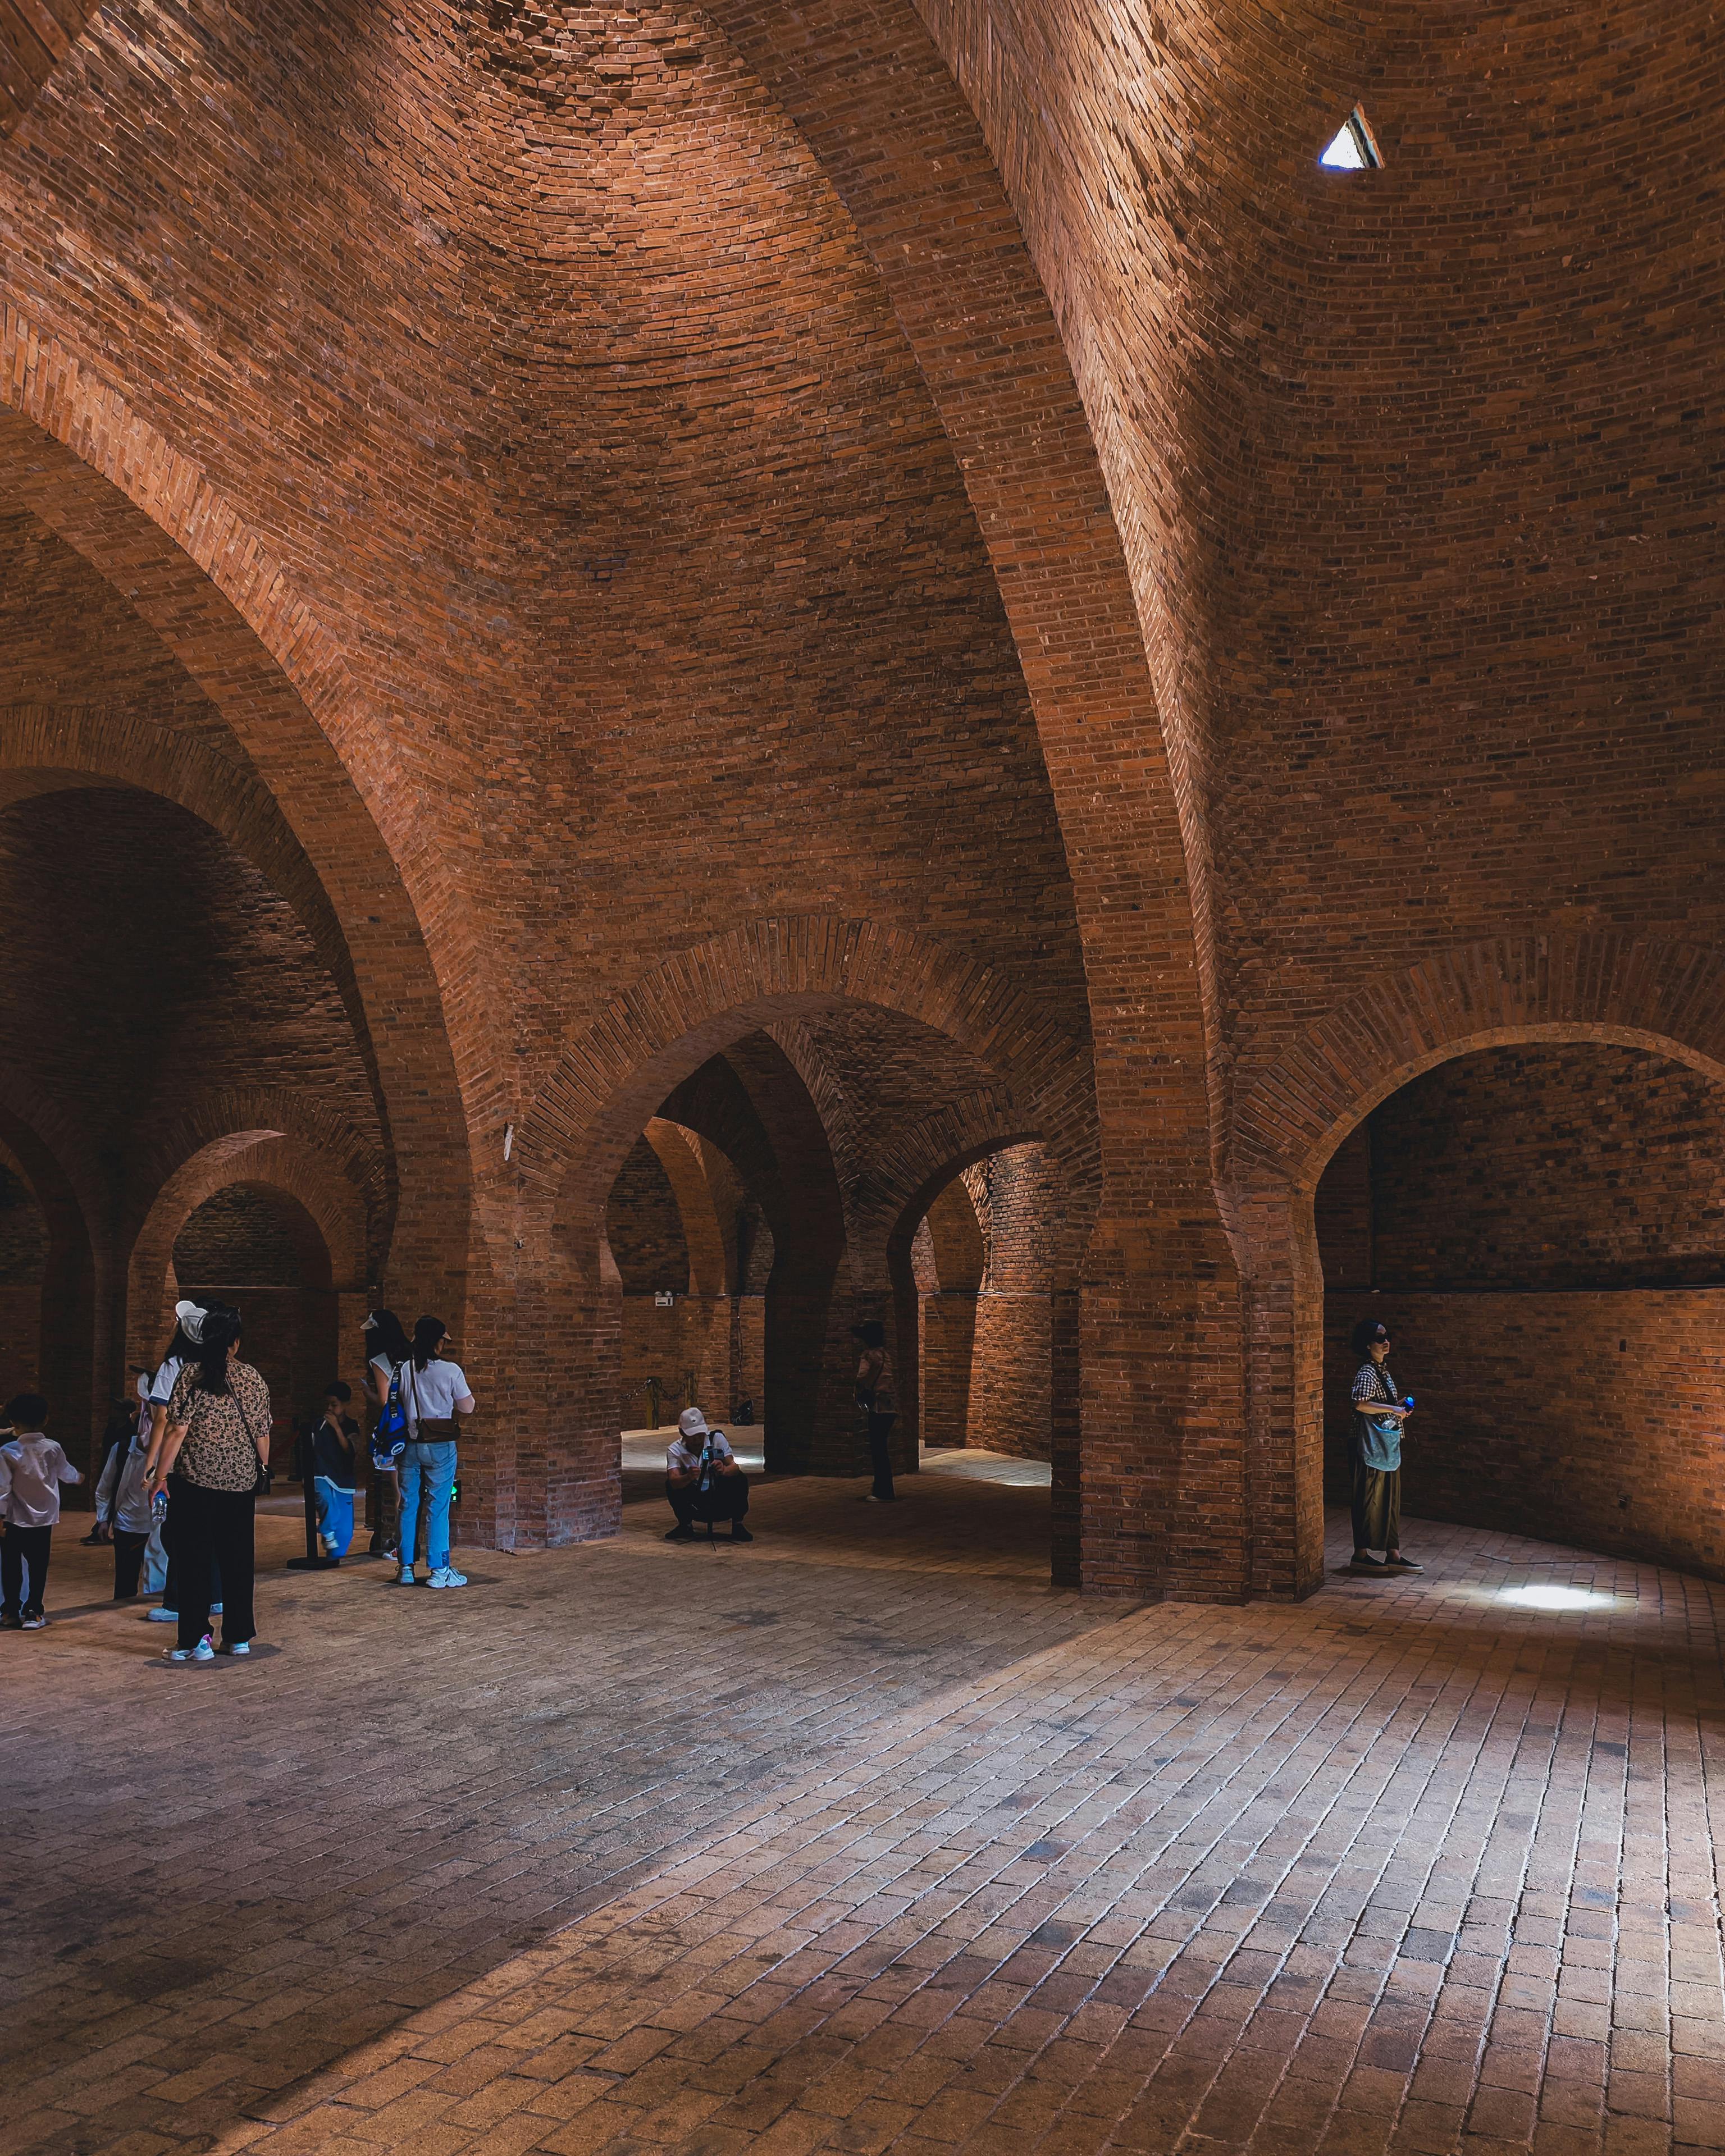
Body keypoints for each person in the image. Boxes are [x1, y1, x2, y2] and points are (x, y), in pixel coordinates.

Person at [145, 1307, 268, 1661]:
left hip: (194, 1481)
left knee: (194, 1558)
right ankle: (238, 1637)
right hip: (241, 1483)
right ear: (236, 1342)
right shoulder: (252, 1378)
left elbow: (177, 1429)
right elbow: (262, 1433)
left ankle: (195, 1640)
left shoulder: (190, 1375)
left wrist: (161, 1476)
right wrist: (261, 1464)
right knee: (238, 1560)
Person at [142, 1301, 226, 1627]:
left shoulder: (174, 1365)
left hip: (180, 1463)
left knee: (176, 1534)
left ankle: (178, 1600)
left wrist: (153, 1467)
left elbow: (165, 1421)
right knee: (212, 1531)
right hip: (215, 1461)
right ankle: (216, 1596)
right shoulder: (220, 1364)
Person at [393, 1317, 474, 1589]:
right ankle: (439, 1570)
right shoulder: (450, 1371)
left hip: (410, 1445)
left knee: (408, 1505)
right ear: (439, 1342)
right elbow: (467, 1407)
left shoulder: (404, 1369)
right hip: (440, 1446)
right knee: (438, 1508)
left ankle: (405, 1567)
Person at [0, 1393, 81, 1629]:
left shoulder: (8, 1451)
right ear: (46, 1420)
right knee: (38, 1566)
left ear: (13, 1422)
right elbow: (66, 1472)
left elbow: (3, 1488)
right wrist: (78, 1478)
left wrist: (1, 1516)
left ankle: (11, 1611)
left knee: (12, 1566)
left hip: (15, 1519)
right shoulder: (53, 1448)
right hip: (44, 1518)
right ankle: (34, 1611)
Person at [1348, 1318, 1421, 1574]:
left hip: (1386, 1446)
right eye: (1380, 1339)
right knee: (1369, 1499)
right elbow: (1360, 1403)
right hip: (1371, 1446)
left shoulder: (1383, 1371)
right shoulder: (1367, 1371)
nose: (1386, 1342)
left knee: (1390, 1499)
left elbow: (1379, 1404)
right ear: (1368, 1345)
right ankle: (1361, 1554)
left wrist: (1399, 1406)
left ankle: (1393, 1553)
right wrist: (1394, 1409)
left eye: (1387, 1337)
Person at [362, 1308, 412, 1560]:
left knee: (399, 1493)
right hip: (416, 1426)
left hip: (396, 1433)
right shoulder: (410, 1353)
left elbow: (385, 1401)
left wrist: (367, 1395)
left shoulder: (379, 1359)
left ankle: (401, 1547)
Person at [664, 1406, 752, 1543]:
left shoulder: (716, 1439)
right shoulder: (675, 1450)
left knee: (740, 1479)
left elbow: (735, 1467)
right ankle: (685, 1525)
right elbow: (674, 1480)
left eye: (700, 1434)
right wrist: (688, 1477)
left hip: (718, 1490)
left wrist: (723, 1470)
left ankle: (738, 1525)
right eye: (692, 1435)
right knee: (670, 1486)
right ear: (682, 1432)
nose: (697, 1439)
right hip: (695, 1493)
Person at [94, 1403, 154, 1597]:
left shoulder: (165, 1454)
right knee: (125, 1582)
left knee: (156, 1583)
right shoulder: (121, 1450)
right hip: (126, 1525)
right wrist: (103, 1520)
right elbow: (105, 1487)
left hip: (156, 1527)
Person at [313, 1380, 358, 1561]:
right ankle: (326, 1532)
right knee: (327, 1504)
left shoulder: (351, 1426)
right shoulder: (319, 1425)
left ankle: (334, 1559)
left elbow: (350, 1450)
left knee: (345, 1532)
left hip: (344, 1479)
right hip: (321, 1474)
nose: (330, 1409)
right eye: (328, 1404)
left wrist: (337, 1428)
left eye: (335, 1404)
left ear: (346, 1404)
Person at [853, 1320, 898, 1502]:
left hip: (877, 1407)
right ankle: (884, 1489)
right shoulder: (886, 1355)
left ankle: (882, 1491)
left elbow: (862, 1377)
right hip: (890, 1406)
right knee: (883, 1450)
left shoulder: (869, 1356)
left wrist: (858, 1390)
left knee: (878, 1451)